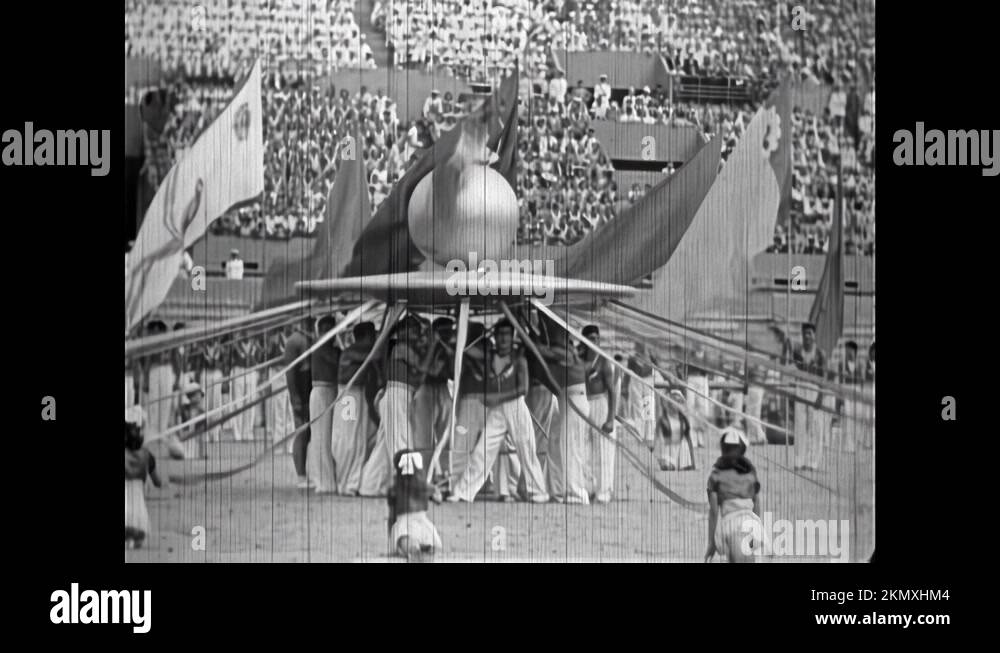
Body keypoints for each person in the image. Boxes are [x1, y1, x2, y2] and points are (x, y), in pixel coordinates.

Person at [447, 319, 548, 503]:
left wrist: (498, 398)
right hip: (497, 409)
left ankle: (538, 491)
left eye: (507, 334)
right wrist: (471, 331)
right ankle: (463, 491)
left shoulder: (519, 358)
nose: (503, 339)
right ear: (495, 336)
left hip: (516, 406)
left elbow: (523, 389)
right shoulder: (489, 356)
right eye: (499, 334)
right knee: (482, 450)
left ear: (512, 337)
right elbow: (463, 349)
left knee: (526, 449)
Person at [359, 315, 439, 497]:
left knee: (385, 445)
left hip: (402, 396)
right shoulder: (401, 348)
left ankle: (369, 486)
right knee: (401, 441)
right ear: (402, 332)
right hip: (396, 395)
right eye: (413, 329)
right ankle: (406, 486)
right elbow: (424, 369)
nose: (417, 333)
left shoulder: (406, 349)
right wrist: (433, 345)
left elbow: (421, 376)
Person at [536, 321, 590, 504]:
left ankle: (576, 492)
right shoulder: (563, 352)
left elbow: (544, 352)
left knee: (571, 447)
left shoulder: (566, 351)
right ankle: (560, 489)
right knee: (558, 444)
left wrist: (533, 341)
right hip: (566, 399)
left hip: (575, 399)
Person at [331, 321, 378, 495]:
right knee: (348, 440)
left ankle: (354, 481)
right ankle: (346, 483)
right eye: (372, 334)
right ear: (366, 336)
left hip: (359, 395)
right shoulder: (353, 351)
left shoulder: (363, 350)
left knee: (361, 439)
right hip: (349, 396)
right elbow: (376, 355)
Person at [705, 428, 763, 563]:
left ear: (723, 449)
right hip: (749, 523)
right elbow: (757, 503)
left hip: (728, 524)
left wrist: (711, 543)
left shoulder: (715, 475)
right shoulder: (751, 473)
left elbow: (714, 512)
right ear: (741, 449)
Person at [580, 325, 617, 503]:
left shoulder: (603, 361)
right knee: (583, 450)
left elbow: (612, 392)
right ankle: (588, 488)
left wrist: (610, 419)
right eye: (590, 339)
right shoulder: (578, 359)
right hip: (582, 405)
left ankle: (604, 491)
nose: (593, 342)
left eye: (596, 338)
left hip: (601, 404)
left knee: (604, 450)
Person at [388, 449, 442, 561]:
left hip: (404, 525)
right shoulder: (426, 488)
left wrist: (392, 540)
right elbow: (439, 500)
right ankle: (423, 545)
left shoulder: (394, 490)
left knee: (406, 541)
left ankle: (413, 546)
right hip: (423, 525)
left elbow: (392, 517)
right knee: (432, 543)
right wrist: (435, 491)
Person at [307, 315, 341, 494]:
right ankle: (324, 482)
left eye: (332, 328)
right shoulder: (320, 347)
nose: (330, 332)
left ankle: (328, 479)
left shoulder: (331, 348)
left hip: (332, 392)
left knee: (329, 437)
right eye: (327, 328)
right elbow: (337, 361)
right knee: (321, 437)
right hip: (321, 393)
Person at [791, 323, 829, 471]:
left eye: (810, 334)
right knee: (800, 425)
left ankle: (813, 461)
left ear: (814, 336)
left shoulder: (820, 354)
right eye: (805, 333)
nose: (807, 336)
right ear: (802, 336)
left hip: (814, 388)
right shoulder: (797, 351)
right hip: (801, 387)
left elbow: (824, 377)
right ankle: (799, 460)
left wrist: (821, 395)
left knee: (815, 426)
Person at [125, 406, 162, 550]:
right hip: (140, 519)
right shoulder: (147, 456)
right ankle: (134, 541)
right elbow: (158, 482)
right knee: (138, 540)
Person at [284, 317, 314, 488]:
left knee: (310, 433)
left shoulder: (312, 337)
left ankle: (308, 473)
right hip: (301, 395)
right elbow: (290, 372)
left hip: (312, 392)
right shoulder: (294, 341)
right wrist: (295, 398)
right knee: (302, 433)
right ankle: (301, 475)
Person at [658, 389, 696, 471]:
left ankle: (677, 464)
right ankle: (669, 463)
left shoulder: (684, 418)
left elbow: (688, 438)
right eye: (673, 401)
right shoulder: (666, 415)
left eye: (678, 401)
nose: (675, 404)